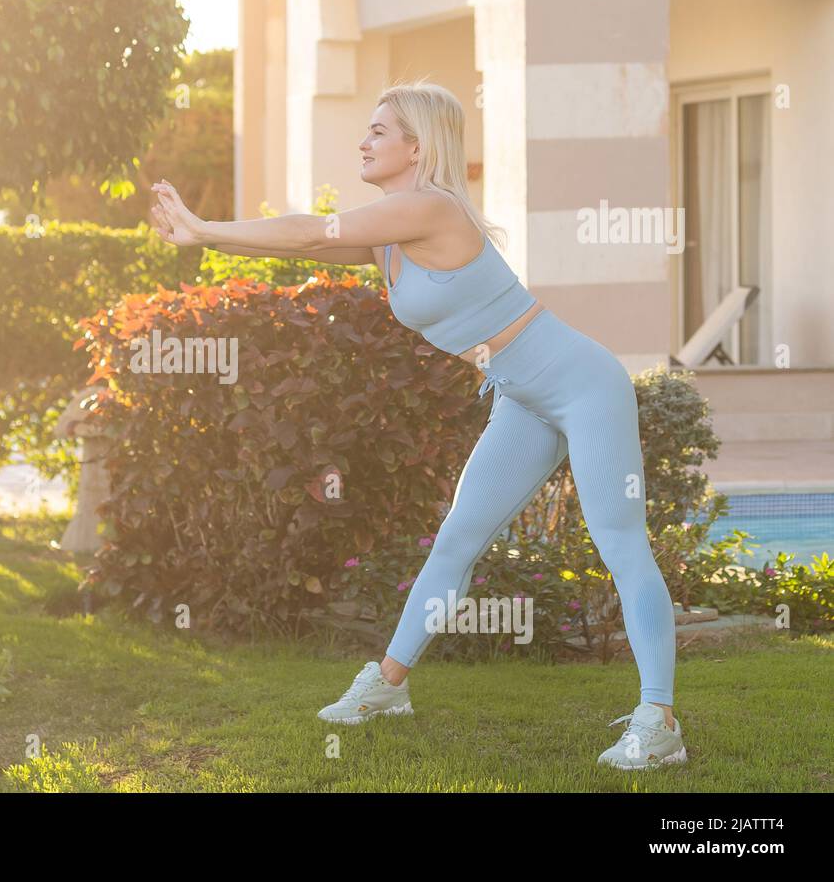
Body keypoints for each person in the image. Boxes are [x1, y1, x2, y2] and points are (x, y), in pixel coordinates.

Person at [147, 80, 685, 770]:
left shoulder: (431, 209)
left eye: (378, 131)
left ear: (416, 146)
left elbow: (314, 227)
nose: (363, 142)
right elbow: (302, 245)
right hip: (520, 395)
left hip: (585, 386)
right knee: (457, 539)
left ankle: (659, 719)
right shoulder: (391, 237)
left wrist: (204, 227)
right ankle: (388, 687)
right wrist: (205, 238)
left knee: (620, 544)